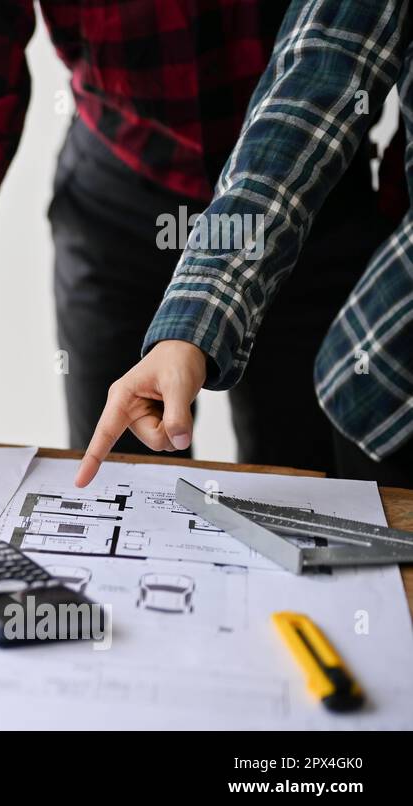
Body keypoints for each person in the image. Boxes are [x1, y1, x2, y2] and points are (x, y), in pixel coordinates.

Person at [0, 0, 403, 475]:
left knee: (302, 492)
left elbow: (326, 71)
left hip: (308, 192)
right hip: (118, 201)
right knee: (117, 479)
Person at [76, 0, 413, 490]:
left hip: (340, 252)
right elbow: (316, 84)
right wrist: (191, 324)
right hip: (394, 394)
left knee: (292, 473)